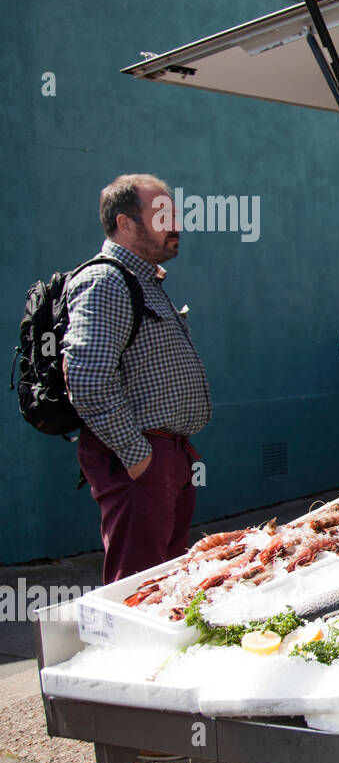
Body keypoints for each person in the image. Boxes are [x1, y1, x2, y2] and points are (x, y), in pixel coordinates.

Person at [63, 175, 211, 584]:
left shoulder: (145, 280)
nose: (176, 224)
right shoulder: (106, 281)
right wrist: (137, 457)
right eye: (162, 214)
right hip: (139, 458)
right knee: (138, 589)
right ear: (126, 223)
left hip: (167, 455)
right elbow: (86, 377)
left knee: (166, 584)